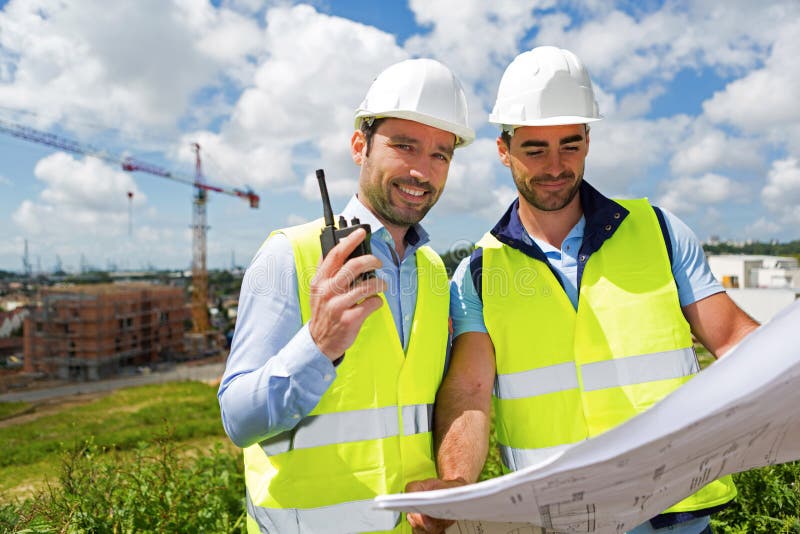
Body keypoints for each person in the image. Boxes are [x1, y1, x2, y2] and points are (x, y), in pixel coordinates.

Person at [407, 46, 759, 534]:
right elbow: (470, 391)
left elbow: (736, 340)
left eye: (570, 145)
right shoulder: (479, 273)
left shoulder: (657, 230)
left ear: (588, 141)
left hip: (674, 511)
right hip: (555, 517)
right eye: (535, 150)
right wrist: (456, 484)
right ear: (503, 150)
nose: (555, 166)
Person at [217, 57, 475, 534]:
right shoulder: (288, 255)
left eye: (440, 155)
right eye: (404, 146)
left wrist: (447, 485)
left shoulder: (435, 272)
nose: (422, 171)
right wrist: (317, 345)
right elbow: (238, 420)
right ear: (360, 147)